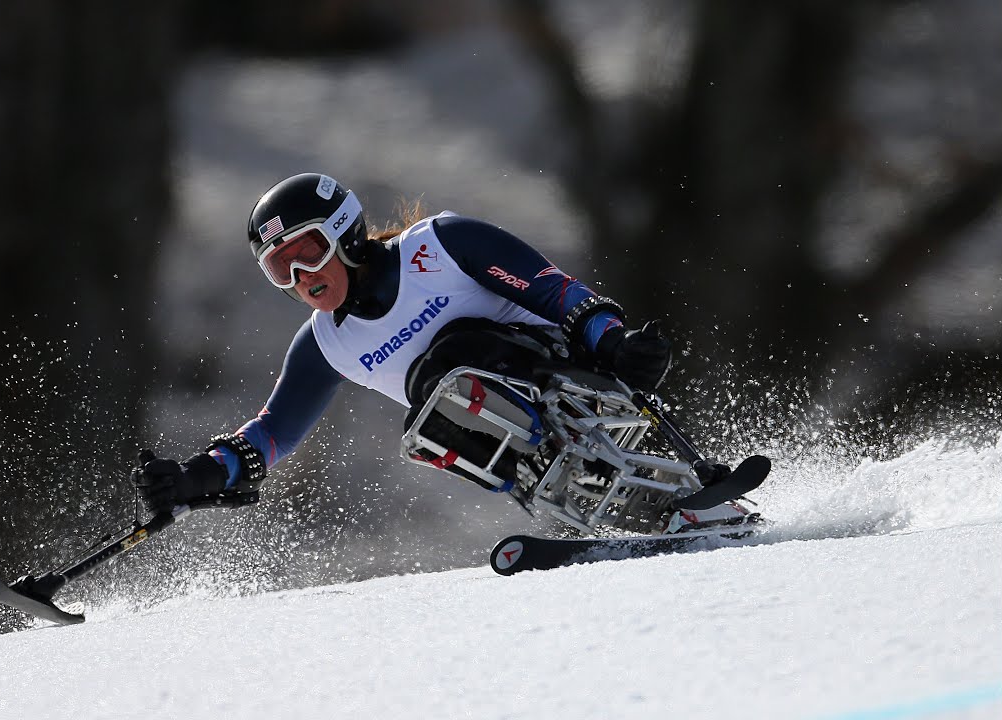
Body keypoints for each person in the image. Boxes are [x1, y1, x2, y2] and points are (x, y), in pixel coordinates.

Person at [134, 172, 680, 515]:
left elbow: (554, 291)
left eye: (309, 252)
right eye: (282, 268)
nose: (302, 276)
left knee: (445, 365)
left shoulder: (439, 246)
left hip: (575, 378)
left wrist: (613, 344)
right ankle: (577, 494)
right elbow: (272, 433)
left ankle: (608, 459)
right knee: (426, 417)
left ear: (346, 233)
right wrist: (194, 476)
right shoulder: (327, 344)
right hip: (510, 442)